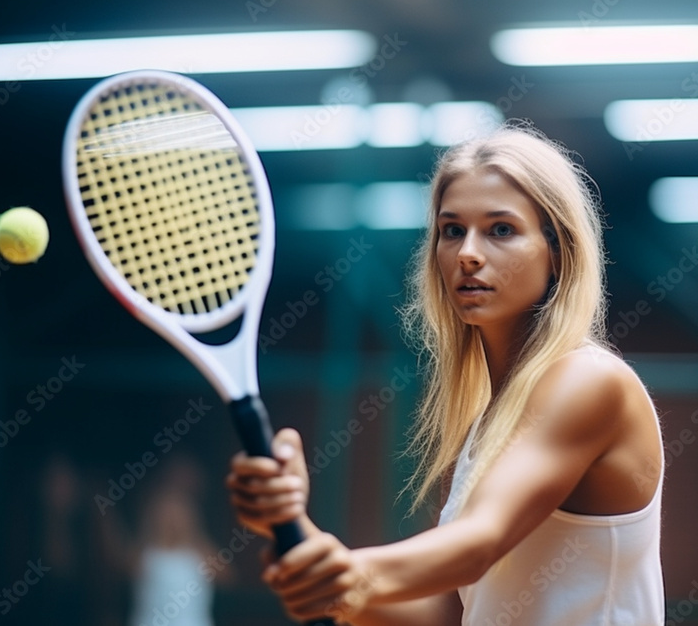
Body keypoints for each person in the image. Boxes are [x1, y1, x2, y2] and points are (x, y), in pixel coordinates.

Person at [227, 123, 666, 625]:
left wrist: (349, 573)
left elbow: (479, 541)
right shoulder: (486, 423)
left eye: (501, 229)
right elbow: (446, 611)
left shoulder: (590, 380)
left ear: (557, 252)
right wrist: (288, 525)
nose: (468, 253)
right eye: (452, 230)